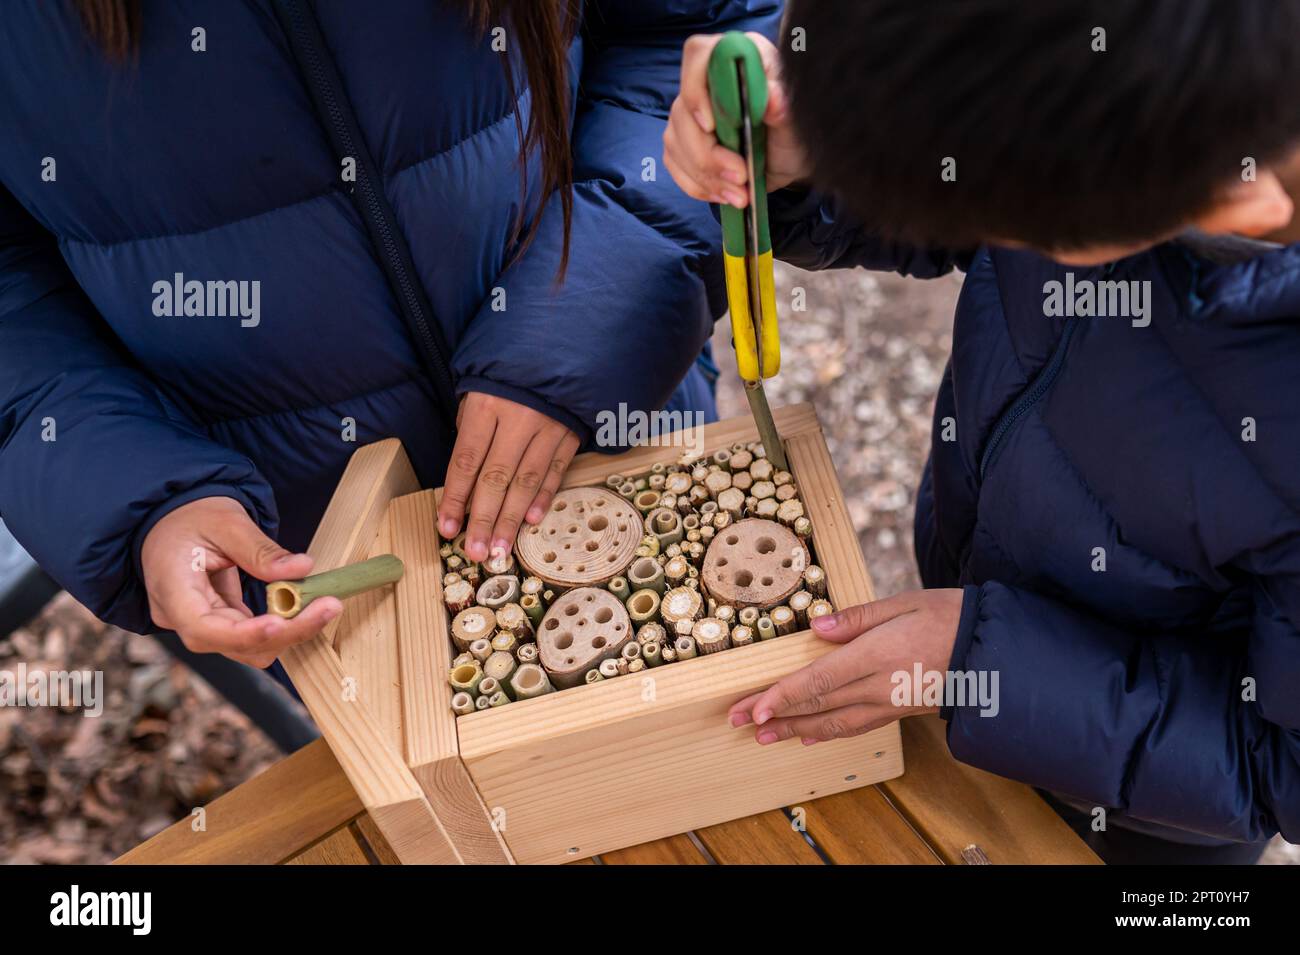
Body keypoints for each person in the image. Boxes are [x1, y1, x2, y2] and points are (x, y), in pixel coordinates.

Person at [663, 0, 1300, 862]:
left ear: (1237, 201)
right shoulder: (1107, 105)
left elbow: (1277, 765)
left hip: (1160, 826)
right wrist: (813, 147)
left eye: (1023, 229)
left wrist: (984, 667)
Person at [0, 0, 779, 670]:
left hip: (623, 398)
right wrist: (140, 496)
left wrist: (585, 322)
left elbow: (698, 34)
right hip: (318, 553)